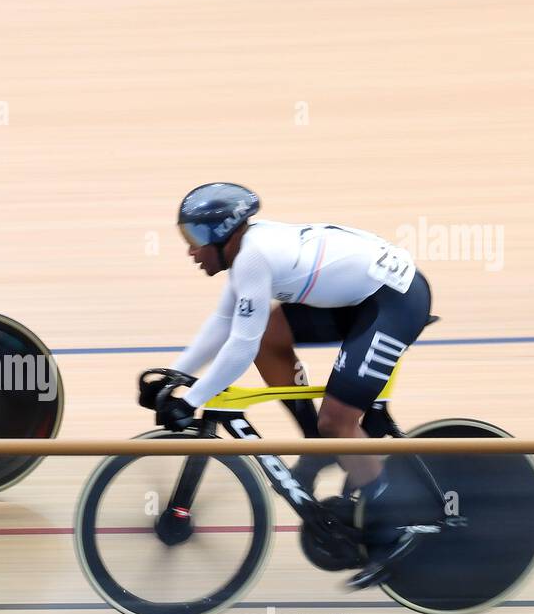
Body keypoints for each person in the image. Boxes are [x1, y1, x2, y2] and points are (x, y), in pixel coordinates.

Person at [148, 182, 433, 587]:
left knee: (339, 422)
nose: (190, 250)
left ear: (222, 233)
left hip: (394, 302)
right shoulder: (246, 252)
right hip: (361, 299)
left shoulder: (252, 258)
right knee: (270, 335)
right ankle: (315, 445)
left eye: (194, 238)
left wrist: (192, 398)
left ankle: (392, 532)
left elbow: (239, 348)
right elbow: (224, 324)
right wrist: (177, 376)